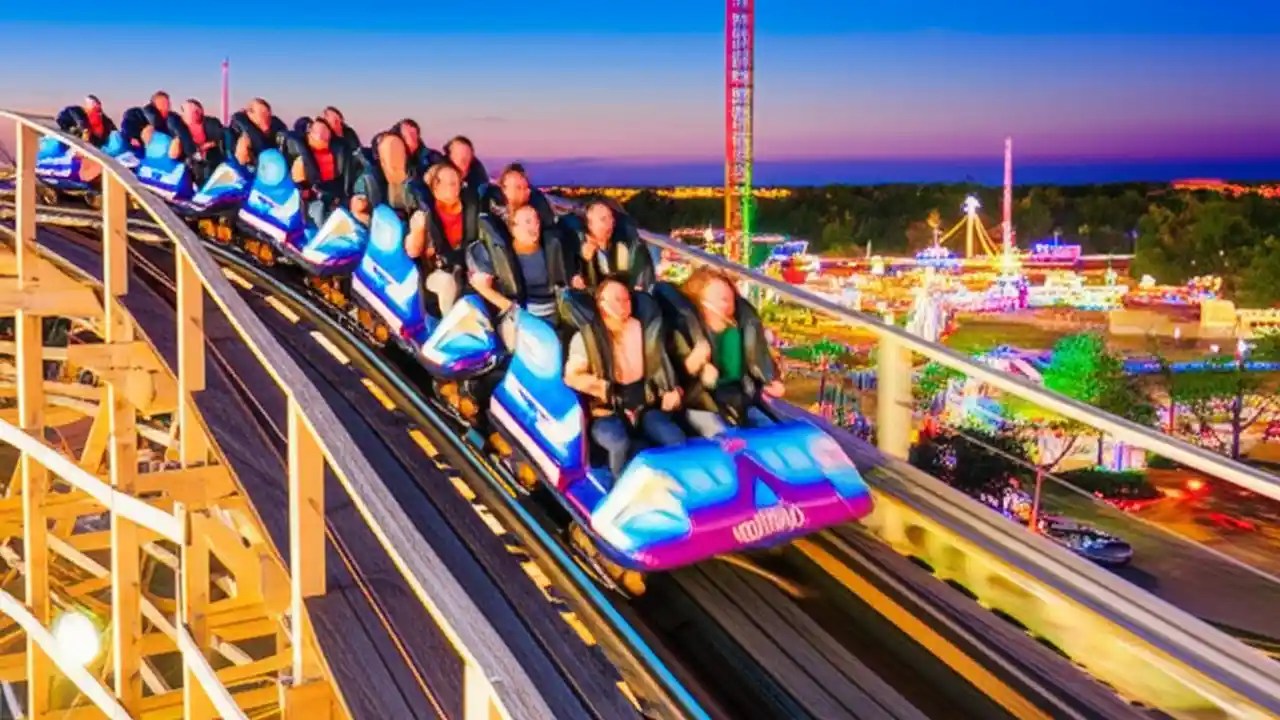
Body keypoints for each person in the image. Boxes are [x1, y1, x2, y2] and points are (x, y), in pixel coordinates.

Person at [563, 277, 686, 479]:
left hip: (644, 404)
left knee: (674, 439)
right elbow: (572, 376)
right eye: (616, 300)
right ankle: (616, 491)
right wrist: (601, 387)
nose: (623, 305)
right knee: (618, 443)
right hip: (607, 409)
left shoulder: (644, 330)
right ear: (601, 303)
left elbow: (663, 363)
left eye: (626, 299)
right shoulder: (587, 338)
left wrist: (671, 388)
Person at [661, 268, 784, 437]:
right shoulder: (686, 331)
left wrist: (772, 380)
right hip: (701, 403)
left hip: (738, 397)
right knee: (725, 438)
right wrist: (693, 365)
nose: (726, 306)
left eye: (730, 300)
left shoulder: (742, 328)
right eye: (721, 300)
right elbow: (673, 373)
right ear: (701, 302)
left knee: (772, 432)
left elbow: (758, 362)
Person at [467, 204, 571, 334]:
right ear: (513, 228)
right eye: (528, 222)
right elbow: (480, 285)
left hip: (551, 318)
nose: (535, 225)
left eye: (536, 220)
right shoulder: (500, 255)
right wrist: (512, 309)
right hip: (518, 319)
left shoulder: (551, 250)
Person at [409, 162, 478, 315]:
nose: (456, 187)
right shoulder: (424, 214)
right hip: (436, 273)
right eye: (451, 183)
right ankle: (449, 327)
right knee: (447, 283)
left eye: (458, 183)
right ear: (436, 187)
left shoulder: (471, 209)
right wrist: (419, 232)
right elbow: (412, 251)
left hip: (466, 268)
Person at [569, 199, 655, 292]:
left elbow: (641, 280)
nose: (609, 223)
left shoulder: (626, 249)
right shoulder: (577, 253)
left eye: (611, 218)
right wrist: (585, 264)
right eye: (603, 219)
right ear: (589, 225)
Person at [289, 118, 352, 228]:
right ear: (311, 133)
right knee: (318, 209)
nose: (322, 135)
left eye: (325, 132)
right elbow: (299, 188)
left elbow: (342, 180)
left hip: (334, 195)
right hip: (313, 200)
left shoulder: (337, 153)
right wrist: (310, 192)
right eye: (318, 133)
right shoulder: (302, 160)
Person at [167, 98, 225, 186]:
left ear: (199, 112)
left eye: (185, 111)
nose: (182, 114)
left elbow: (218, 141)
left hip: (212, 166)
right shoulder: (180, 130)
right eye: (182, 111)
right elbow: (173, 154)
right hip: (189, 169)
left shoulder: (211, 124)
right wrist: (178, 138)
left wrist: (202, 148)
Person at [228, 97, 287, 169]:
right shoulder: (239, 135)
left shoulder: (278, 130)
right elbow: (239, 160)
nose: (266, 127)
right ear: (249, 114)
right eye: (262, 114)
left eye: (268, 117)